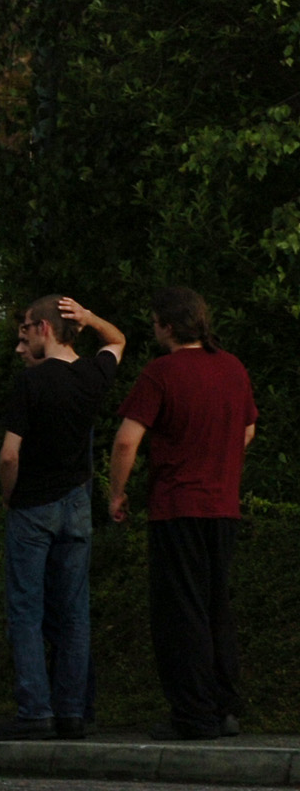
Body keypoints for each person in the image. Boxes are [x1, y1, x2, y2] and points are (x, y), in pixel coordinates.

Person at [108, 287, 257, 741]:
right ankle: (225, 705)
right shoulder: (232, 367)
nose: (153, 329)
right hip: (223, 506)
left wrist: (117, 492)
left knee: (181, 612)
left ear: (168, 326)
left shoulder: (162, 373)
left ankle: (193, 714)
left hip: (177, 506)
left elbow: (126, 440)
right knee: (216, 607)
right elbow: (248, 429)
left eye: (155, 322)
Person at [0, 295, 122, 741]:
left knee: (26, 609)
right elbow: (118, 339)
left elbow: (10, 455)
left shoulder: (32, 383)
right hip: (77, 501)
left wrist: (10, 496)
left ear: (45, 328)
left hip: (33, 505)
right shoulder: (92, 375)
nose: (25, 335)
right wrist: (89, 316)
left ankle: (35, 711)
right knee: (74, 610)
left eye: (28, 326)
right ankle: (73, 711)